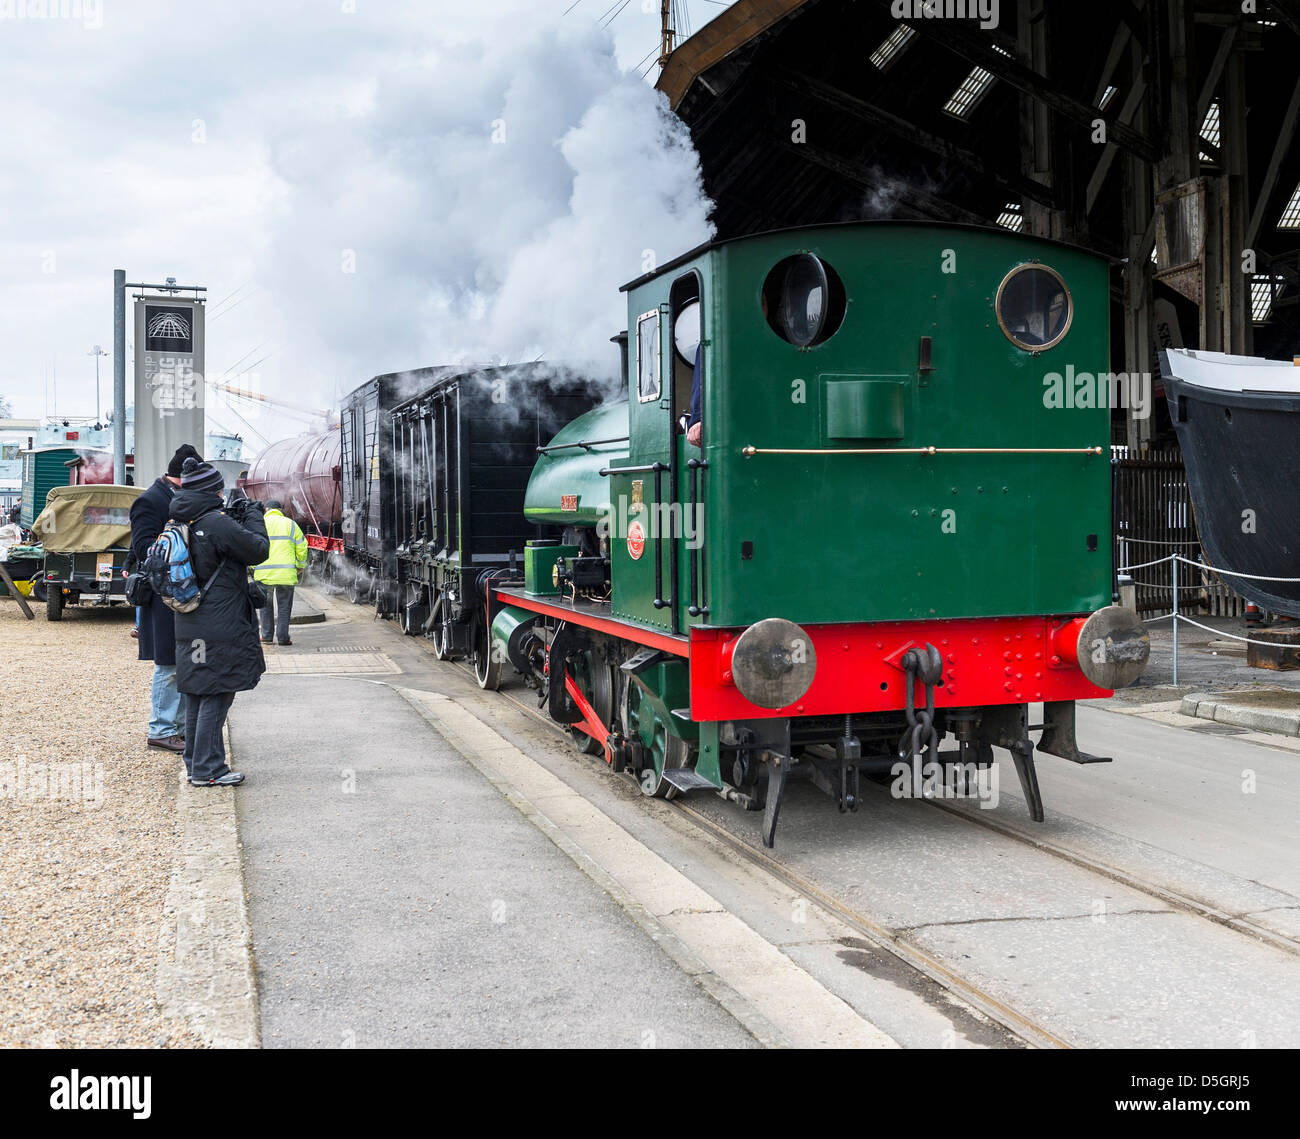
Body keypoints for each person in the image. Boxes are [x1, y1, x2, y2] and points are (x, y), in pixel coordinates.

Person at [170, 456, 269, 787]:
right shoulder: (215, 522)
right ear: (212, 490)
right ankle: (208, 769)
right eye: (218, 488)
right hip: (219, 624)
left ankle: (195, 762)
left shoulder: (179, 520)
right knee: (217, 692)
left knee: (199, 692)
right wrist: (255, 516)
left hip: (191, 623)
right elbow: (258, 550)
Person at [129, 443, 202, 753]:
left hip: (179, 594)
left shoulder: (176, 497)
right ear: (180, 479)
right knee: (168, 664)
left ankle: (182, 729)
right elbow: (144, 548)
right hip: (163, 596)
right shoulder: (149, 501)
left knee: (182, 662)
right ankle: (160, 729)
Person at [253, 498, 308, 646]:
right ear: (280, 511)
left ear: (266, 510)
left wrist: (252, 567)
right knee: (284, 607)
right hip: (286, 574)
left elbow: (251, 546)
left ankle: (266, 636)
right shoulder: (290, 524)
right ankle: (283, 638)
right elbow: (302, 546)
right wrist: (300, 565)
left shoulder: (260, 524)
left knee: (265, 606)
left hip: (264, 574)